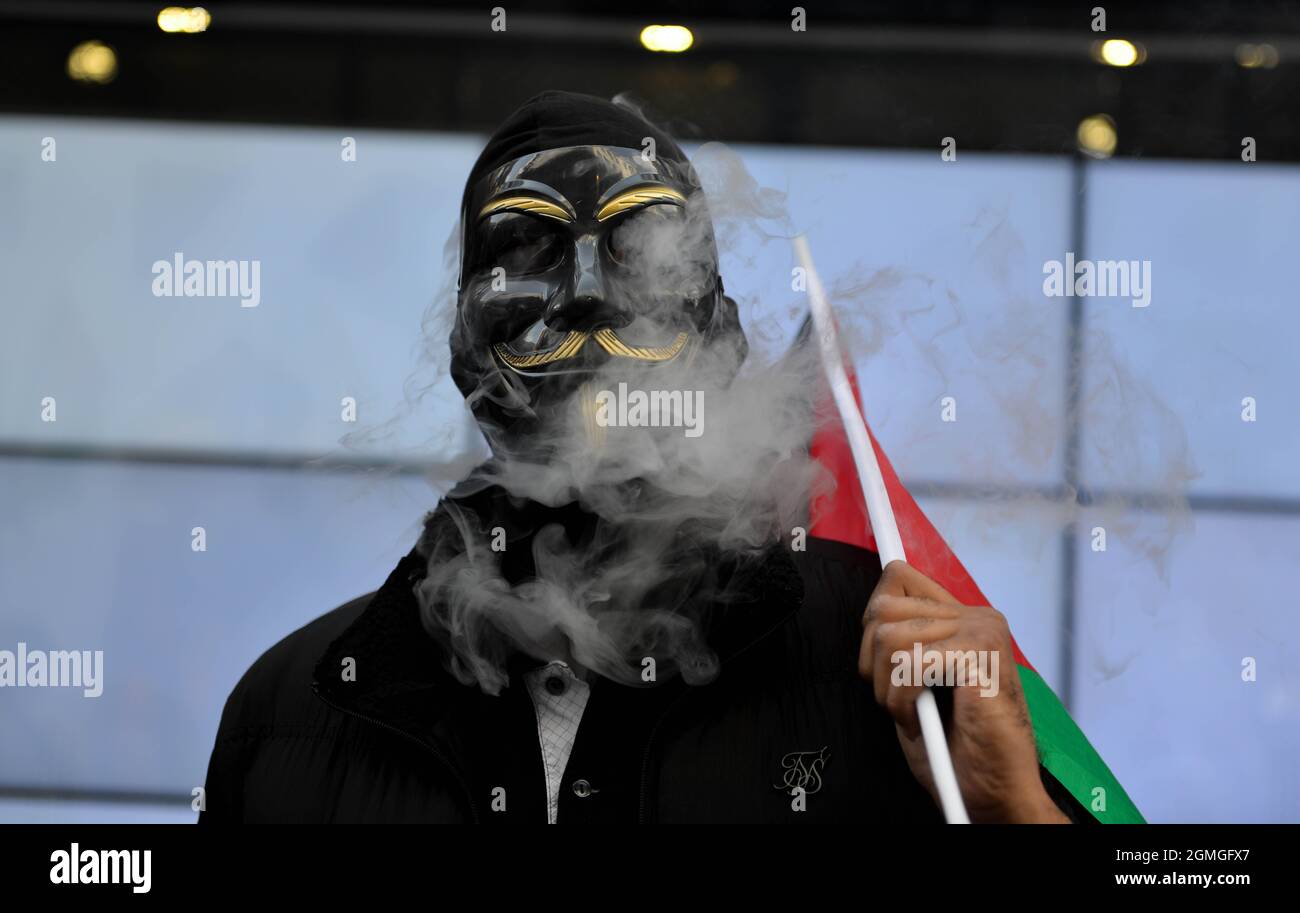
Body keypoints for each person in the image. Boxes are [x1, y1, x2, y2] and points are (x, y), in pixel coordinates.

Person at [199, 91, 1083, 824]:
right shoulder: (289, 716)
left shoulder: (901, 680)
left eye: (640, 247)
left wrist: (1012, 808)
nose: (586, 293)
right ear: (466, 345)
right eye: (528, 246)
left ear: (724, 336)